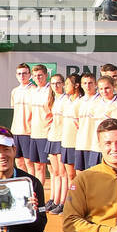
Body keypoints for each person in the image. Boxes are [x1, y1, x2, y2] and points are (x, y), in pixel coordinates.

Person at [55, 73, 82, 212]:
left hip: (76, 144)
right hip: (65, 143)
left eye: (67, 84)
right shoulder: (66, 101)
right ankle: (70, 203)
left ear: (76, 85)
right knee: (70, 175)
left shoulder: (81, 102)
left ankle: (78, 204)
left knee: (77, 176)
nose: (64, 87)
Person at [25, 64, 53, 187]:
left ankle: (53, 198)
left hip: (47, 134)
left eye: (40, 75)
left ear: (46, 75)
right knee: (38, 166)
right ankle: (37, 193)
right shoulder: (33, 92)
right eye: (35, 76)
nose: (38, 78)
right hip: (34, 134)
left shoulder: (50, 91)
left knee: (52, 169)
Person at [44, 72, 68, 214]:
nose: (56, 86)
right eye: (53, 83)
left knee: (62, 173)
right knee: (54, 172)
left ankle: (62, 203)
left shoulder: (66, 100)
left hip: (61, 139)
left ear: (63, 84)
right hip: (51, 138)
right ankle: (55, 200)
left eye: (58, 83)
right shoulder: (53, 100)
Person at [9, 63, 33, 172]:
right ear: (16, 75)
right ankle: (23, 185)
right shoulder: (14, 91)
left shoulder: (34, 90)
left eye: (24, 73)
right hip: (16, 132)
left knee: (29, 162)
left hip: (29, 132)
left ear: (30, 75)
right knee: (18, 161)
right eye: (19, 74)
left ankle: (33, 187)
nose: (22, 76)